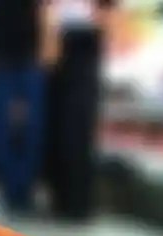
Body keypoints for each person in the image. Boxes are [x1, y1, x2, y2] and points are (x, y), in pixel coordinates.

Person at [0, 0, 58, 215]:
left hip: (30, 61)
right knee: (0, 128)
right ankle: (10, 189)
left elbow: (44, 11)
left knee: (33, 127)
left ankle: (24, 189)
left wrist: (49, 46)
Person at [46, 0, 115, 222]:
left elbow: (108, 13)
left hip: (85, 44)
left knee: (79, 126)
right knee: (57, 126)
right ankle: (60, 200)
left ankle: (78, 204)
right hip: (57, 46)